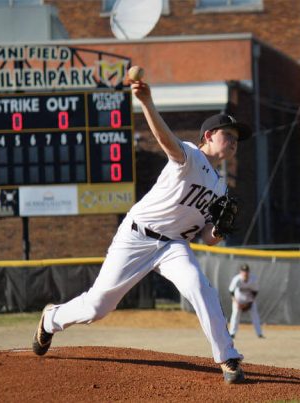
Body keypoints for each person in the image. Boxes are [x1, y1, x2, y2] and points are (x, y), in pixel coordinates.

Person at [31, 69, 253, 384]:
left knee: (200, 288)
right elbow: (165, 139)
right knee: (97, 307)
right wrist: (147, 103)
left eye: (236, 139)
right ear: (208, 136)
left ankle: (228, 358)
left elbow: (207, 237)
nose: (233, 141)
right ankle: (51, 318)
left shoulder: (220, 187)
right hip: (137, 236)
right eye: (227, 134)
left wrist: (218, 230)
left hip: (173, 246)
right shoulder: (189, 156)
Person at [228, 264, 264, 339]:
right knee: (235, 315)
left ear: (249, 272)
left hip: (249, 300)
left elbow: (255, 292)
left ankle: (259, 334)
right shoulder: (236, 279)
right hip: (238, 300)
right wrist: (236, 302)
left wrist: (250, 303)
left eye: (246, 271)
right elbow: (231, 291)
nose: (245, 273)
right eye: (243, 271)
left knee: (255, 316)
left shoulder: (253, 279)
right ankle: (232, 333)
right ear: (240, 272)